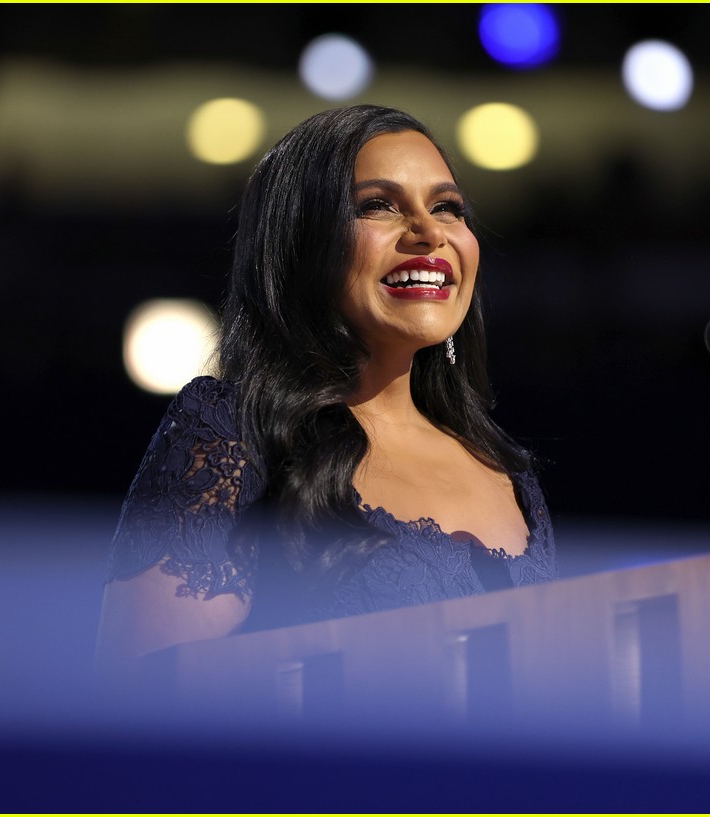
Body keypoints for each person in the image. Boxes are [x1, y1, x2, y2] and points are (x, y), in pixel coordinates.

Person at [96, 105, 557, 668]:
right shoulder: (231, 435)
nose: (430, 232)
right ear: (301, 244)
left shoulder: (505, 467)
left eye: (447, 207)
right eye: (378, 205)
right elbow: (143, 698)